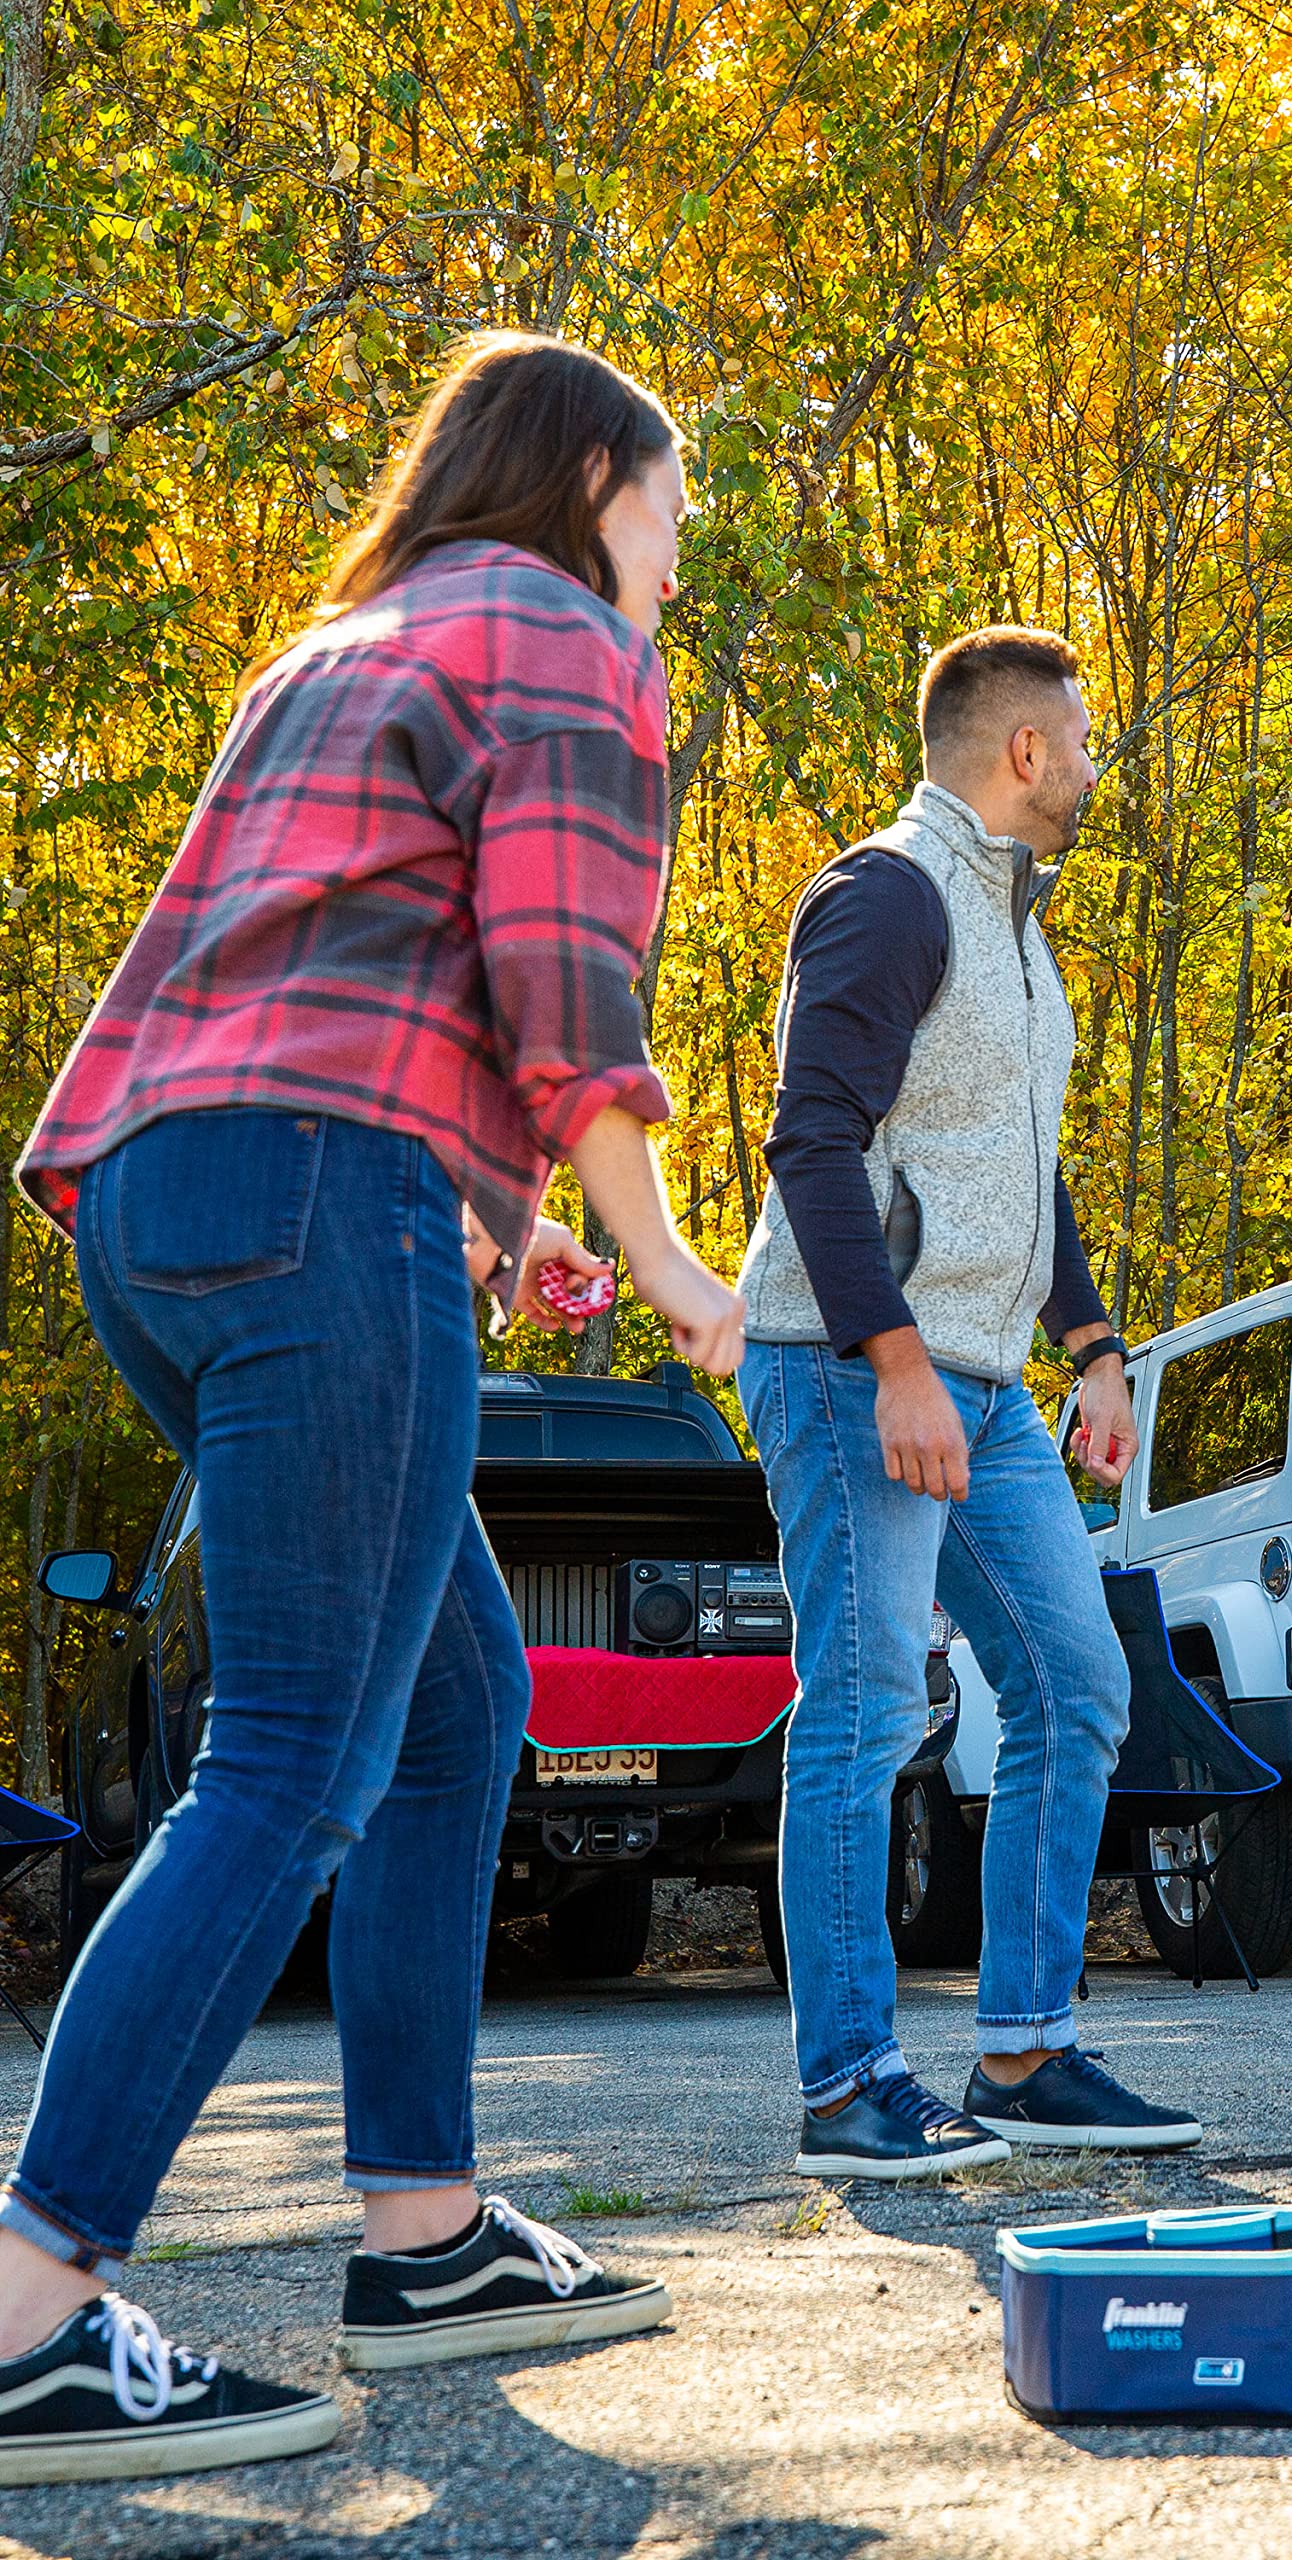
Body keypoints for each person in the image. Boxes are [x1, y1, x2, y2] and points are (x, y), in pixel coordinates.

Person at [0, 332, 744, 2483]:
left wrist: (496, 1216)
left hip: (161, 1199)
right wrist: (665, 1242)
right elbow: (565, 979)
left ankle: (423, 2229)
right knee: (298, 1760)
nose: (675, 570)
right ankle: (34, 2301)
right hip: (327, 1198)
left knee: (447, 1706)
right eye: (674, 515)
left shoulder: (345, 637)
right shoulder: (566, 637)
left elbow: (323, 969)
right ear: (594, 475)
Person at [737, 624, 1199, 2179]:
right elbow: (809, 1146)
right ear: (1021, 750)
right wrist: (896, 1363)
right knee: (867, 1709)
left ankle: (1022, 2051)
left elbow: (1018, 1170)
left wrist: (1094, 1344)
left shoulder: (1015, 924)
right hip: (845, 1368)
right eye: (1081, 739)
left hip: (988, 1390)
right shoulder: (890, 895)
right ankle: (851, 2088)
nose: (1091, 764)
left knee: (1080, 1685)